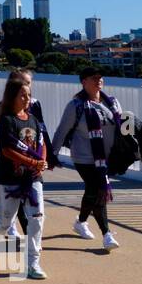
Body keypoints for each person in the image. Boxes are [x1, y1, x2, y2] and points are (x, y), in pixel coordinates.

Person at [0, 75, 47, 279]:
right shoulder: (7, 120)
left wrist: (41, 162)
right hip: (9, 176)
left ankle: (32, 263)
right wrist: (33, 162)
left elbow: (41, 143)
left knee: (36, 217)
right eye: (23, 95)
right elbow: (7, 149)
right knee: (5, 221)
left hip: (32, 178)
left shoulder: (33, 119)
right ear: (13, 96)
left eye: (29, 95)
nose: (27, 99)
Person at [51, 67, 123, 251]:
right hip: (83, 156)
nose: (98, 80)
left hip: (104, 159)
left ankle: (81, 221)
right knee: (97, 189)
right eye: (93, 78)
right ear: (83, 82)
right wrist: (52, 156)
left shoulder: (112, 103)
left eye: (100, 77)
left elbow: (122, 128)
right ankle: (106, 235)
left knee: (93, 192)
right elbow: (61, 131)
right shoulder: (75, 105)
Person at [0, 68, 56, 238]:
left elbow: (41, 130)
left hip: (32, 159)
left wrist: (46, 156)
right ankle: (8, 227)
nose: (27, 86)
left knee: (32, 205)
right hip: (11, 161)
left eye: (29, 83)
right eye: (23, 83)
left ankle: (29, 241)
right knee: (8, 206)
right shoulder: (3, 107)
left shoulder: (35, 104)